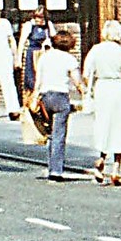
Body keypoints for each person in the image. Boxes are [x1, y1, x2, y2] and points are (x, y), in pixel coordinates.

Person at [83, 20, 121, 185]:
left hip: (102, 88)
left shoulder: (96, 50)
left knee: (103, 125)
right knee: (120, 128)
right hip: (119, 90)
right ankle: (116, 170)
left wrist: (91, 89)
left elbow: (86, 73)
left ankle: (101, 160)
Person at [31, 29, 82, 182]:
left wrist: (34, 97)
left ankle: (50, 165)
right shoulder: (69, 59)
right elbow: (77, 82)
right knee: (59, 135)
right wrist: (85, 93)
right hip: (61, 98)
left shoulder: (44, 58)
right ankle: (56, 171)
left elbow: (38, 81)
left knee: (51, 134)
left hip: (45, 97)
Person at [17, 6, 52, 104]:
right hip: (32, 53)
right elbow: (22, 42)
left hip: (44, 53)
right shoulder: (29, 25)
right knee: (31, 79)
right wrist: (18, 59)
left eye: (40, 17)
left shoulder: (48, 26)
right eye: (36, 17)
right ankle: (29, 102)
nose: (38, 20)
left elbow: (52, 38)